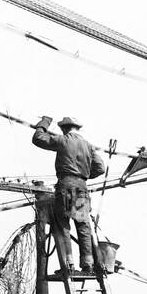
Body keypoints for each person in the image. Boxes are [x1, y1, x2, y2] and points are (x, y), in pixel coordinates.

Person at [31, 115, 108, 274]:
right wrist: (84, 175)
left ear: (64, 128)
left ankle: (68, 264)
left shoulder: (63, 140)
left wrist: (44, 122)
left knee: (62, 224)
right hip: (81, 188)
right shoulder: (88, 146)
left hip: (66, 187)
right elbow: (100, 168)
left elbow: (38, 138)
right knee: (82, 225)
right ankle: (88, 263)